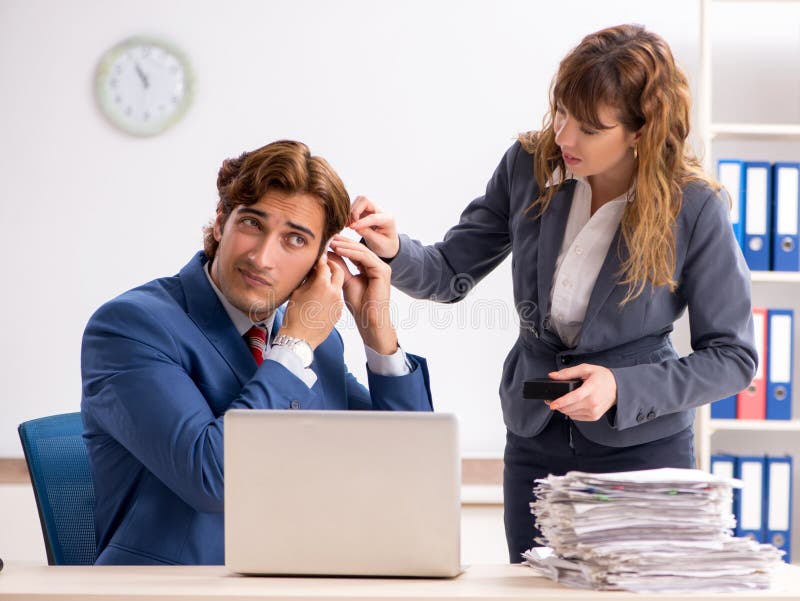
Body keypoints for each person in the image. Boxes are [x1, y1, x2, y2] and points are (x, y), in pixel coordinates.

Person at [340, 24, 757, 562]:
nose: (564, 136)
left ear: (640, 131)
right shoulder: (527, 166)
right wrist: (394, 250)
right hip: (534, 438)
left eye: (588, 126)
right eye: (560, 111)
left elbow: (734, 358)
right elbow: (447, 273)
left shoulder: (694, 207)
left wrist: (620, 388)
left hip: (643, 447)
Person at [81, 140, 433, 566]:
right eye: (251, 223)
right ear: (219, 223)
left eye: (295, 239)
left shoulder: (314, 341)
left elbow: (408, 470)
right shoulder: (130, 328)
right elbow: (214, 480)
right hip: (168, 590)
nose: (262, 257)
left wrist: (379, 336)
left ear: (323, 260)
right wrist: (294, 348)